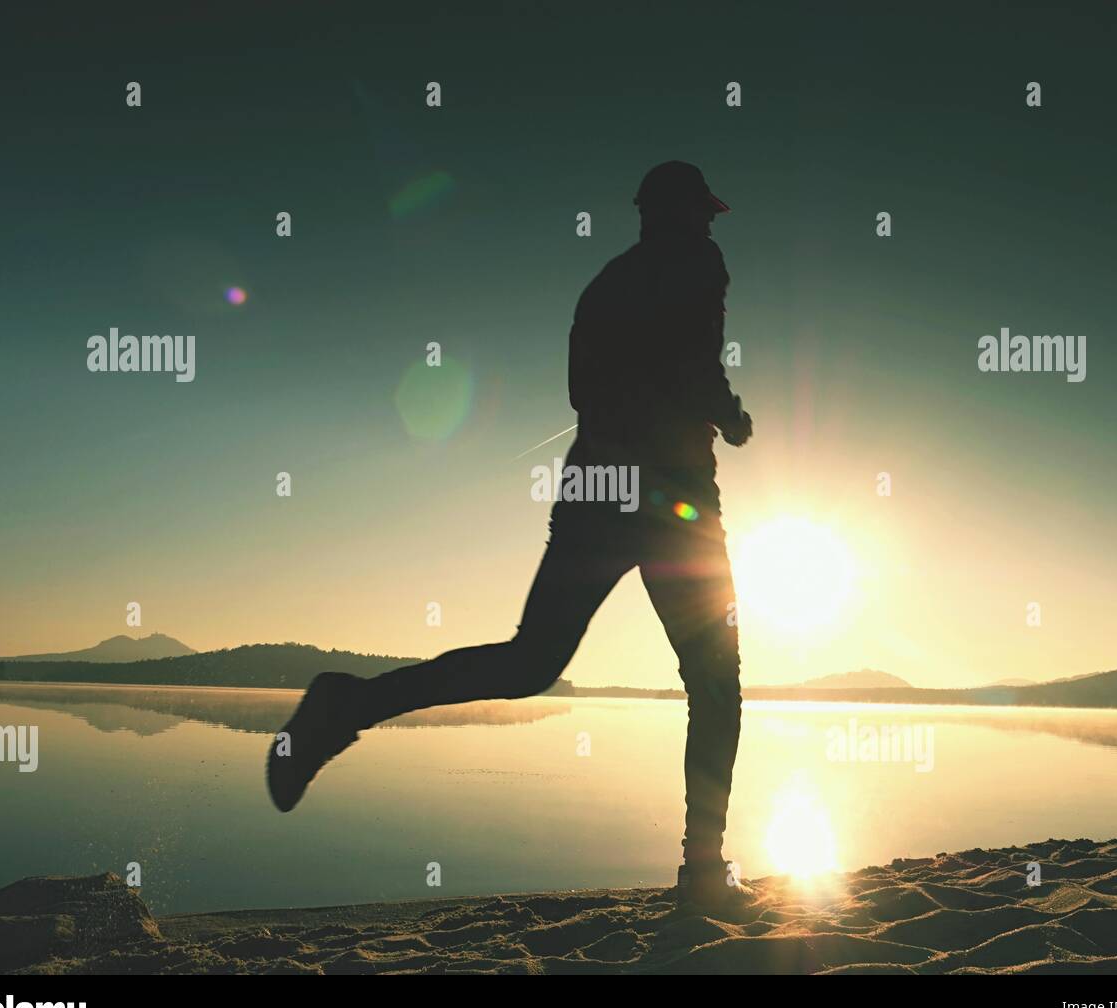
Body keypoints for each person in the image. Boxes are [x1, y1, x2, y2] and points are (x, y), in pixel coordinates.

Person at [267, 161, 754, 908]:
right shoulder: (699, 260)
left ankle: (347, 705)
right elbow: (694, 362)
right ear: (686, 213)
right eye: (707, 213)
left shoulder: (601, 286)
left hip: (595, 487)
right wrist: (730, 415)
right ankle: (703, 873)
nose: (713, 225)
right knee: (715, 683)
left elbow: (580, 391)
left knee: (531, 661)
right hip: (676, 503)